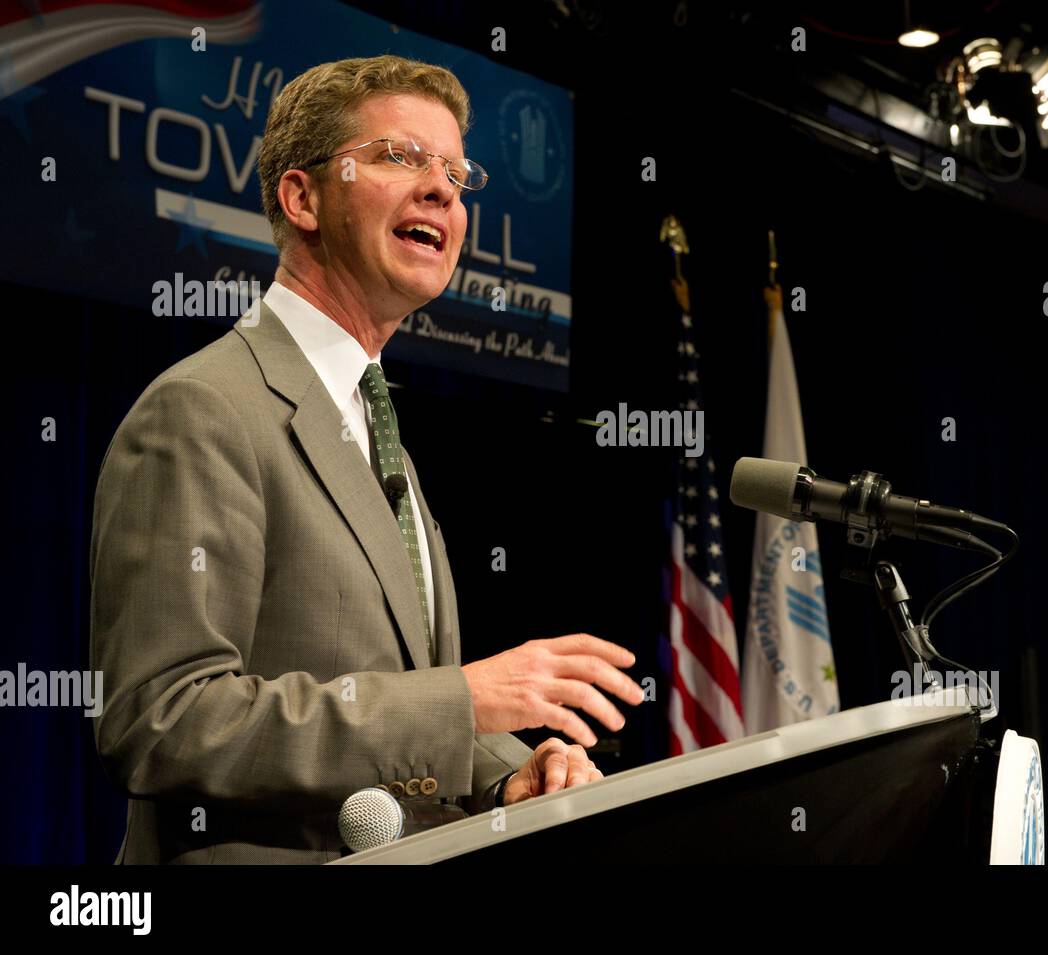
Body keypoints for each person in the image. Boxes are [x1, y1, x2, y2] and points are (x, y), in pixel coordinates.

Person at [89, 54, 642, 864]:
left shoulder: (372, 426)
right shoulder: (205, 410)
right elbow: (162, 718)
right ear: (302, 197)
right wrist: (463, 701)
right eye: (400, 157)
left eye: (455, 171)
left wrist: (507, 770)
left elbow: (402, 704)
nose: (443, 190)